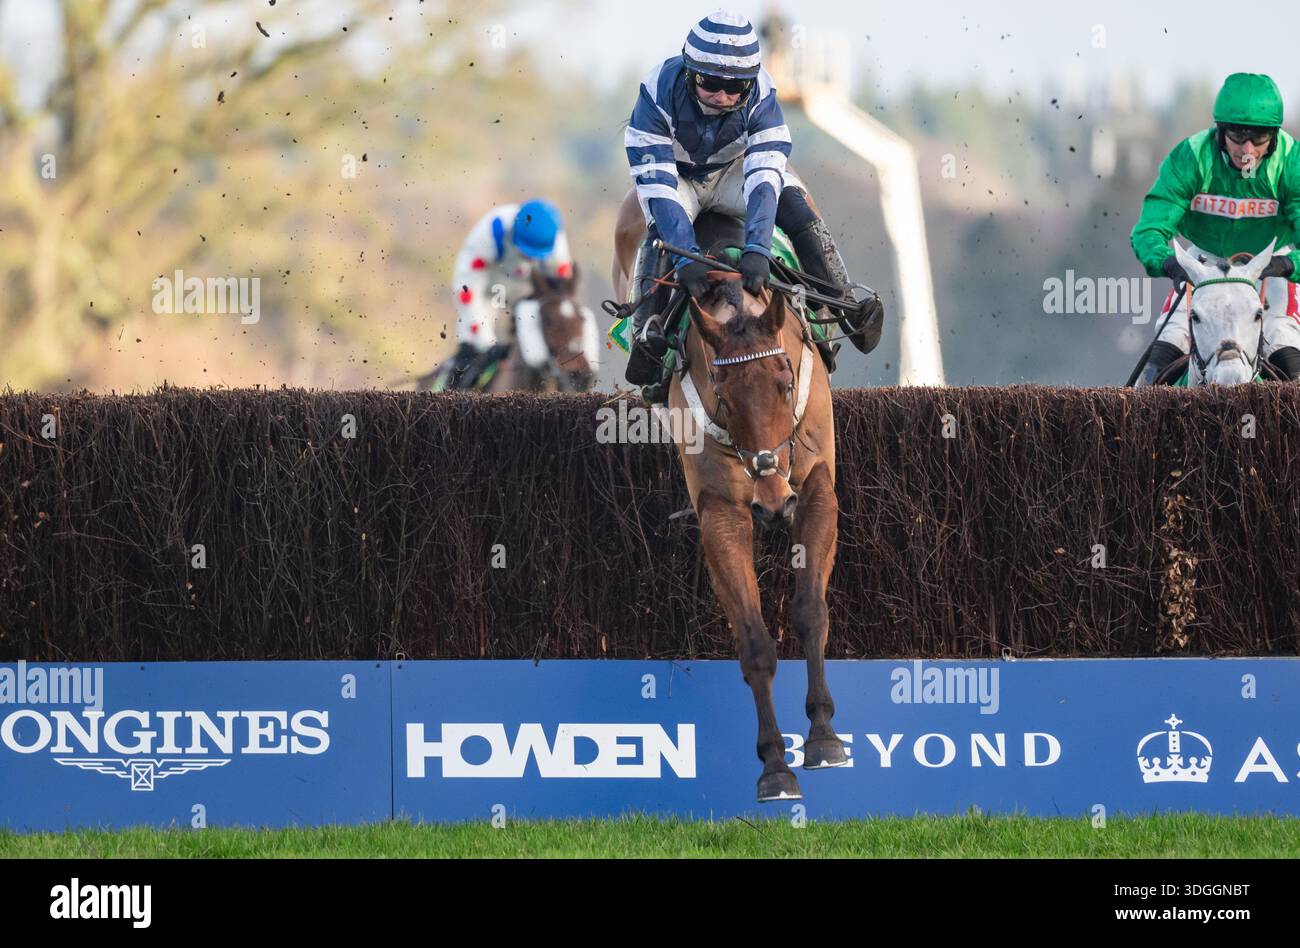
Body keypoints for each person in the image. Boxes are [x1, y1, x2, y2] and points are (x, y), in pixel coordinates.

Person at [622, 9, 882, 397]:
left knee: (795, 204)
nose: (724, 96)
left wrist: (758, 248)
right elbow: (659, 189)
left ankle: (843, 302)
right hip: (678, 178)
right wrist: (687, 259)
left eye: (735, 88)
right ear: (690, 71)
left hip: (734, 172)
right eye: (710, 83)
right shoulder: (658, 89)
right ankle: (647, 332)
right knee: (663, 236)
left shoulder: (763, 93)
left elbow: (764, 182)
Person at [1131, 73, 1300, 385]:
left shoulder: (1292, 163)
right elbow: (1149, 229)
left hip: (1270, 264)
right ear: (1221, 132)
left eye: (1259, 139)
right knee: (1164, 352)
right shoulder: (1192, 158)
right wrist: (1165, 261)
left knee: (1281, 340)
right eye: (1237, 137)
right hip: (1204, 265)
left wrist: (1288, 264)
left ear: (1274, 136)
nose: (1247, 150)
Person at [434, 199, 574, 389]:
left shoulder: (555, 242)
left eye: (535, 255)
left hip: (523, 293)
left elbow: (561, 292)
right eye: (526, 253)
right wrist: (486, 342)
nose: (530, 258)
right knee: (474, 345)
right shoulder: (492, 231)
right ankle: (450, 392)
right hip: (482, 290)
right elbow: (467, 290)